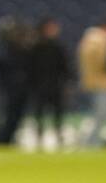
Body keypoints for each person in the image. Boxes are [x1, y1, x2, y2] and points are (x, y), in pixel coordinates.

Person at [27, 18, 73, 148]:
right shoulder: (36, 47)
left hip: (55, 86)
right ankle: (39, 138)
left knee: (58, 114)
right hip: (40, 86)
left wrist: (67, 83)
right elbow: (30, 68)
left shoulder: (59, 47)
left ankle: (59, 137)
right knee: (39, 113)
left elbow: (65, 67)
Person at [78, 21, 106, 147]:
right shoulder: (102, 40)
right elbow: (105, 62)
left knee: (95, 113)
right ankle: (90, 141)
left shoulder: (87, 40)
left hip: (89, 82)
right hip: (102, 82)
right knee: (102, 113)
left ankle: (87, 139)